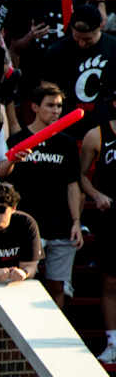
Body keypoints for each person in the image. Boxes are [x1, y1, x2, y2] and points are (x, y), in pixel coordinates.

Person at [0, 85, 82, 306]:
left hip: (60, 223)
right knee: (24, 281)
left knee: (58, 286)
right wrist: (13, 160)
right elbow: (1, 174)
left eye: (59, 106)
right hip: (27, 222)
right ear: (35, 107)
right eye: (50, 105)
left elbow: (73, 185)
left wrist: (76, 221)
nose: (56, 111)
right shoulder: (19, 139)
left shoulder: (68, 143)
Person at [33, 4, 116, 122]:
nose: (81, 43)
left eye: (87, 39)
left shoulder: (113, 48)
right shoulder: (56, 52)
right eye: (77, 38)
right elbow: (47, 88)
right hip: (68, 121)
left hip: (105, 121)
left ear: (99, 28)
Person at [81, 94, 116, 361]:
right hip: (111, 216)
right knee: (111, 281)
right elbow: (80, 175)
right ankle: (113, 342)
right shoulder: (97, 135)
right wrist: (96, 195)